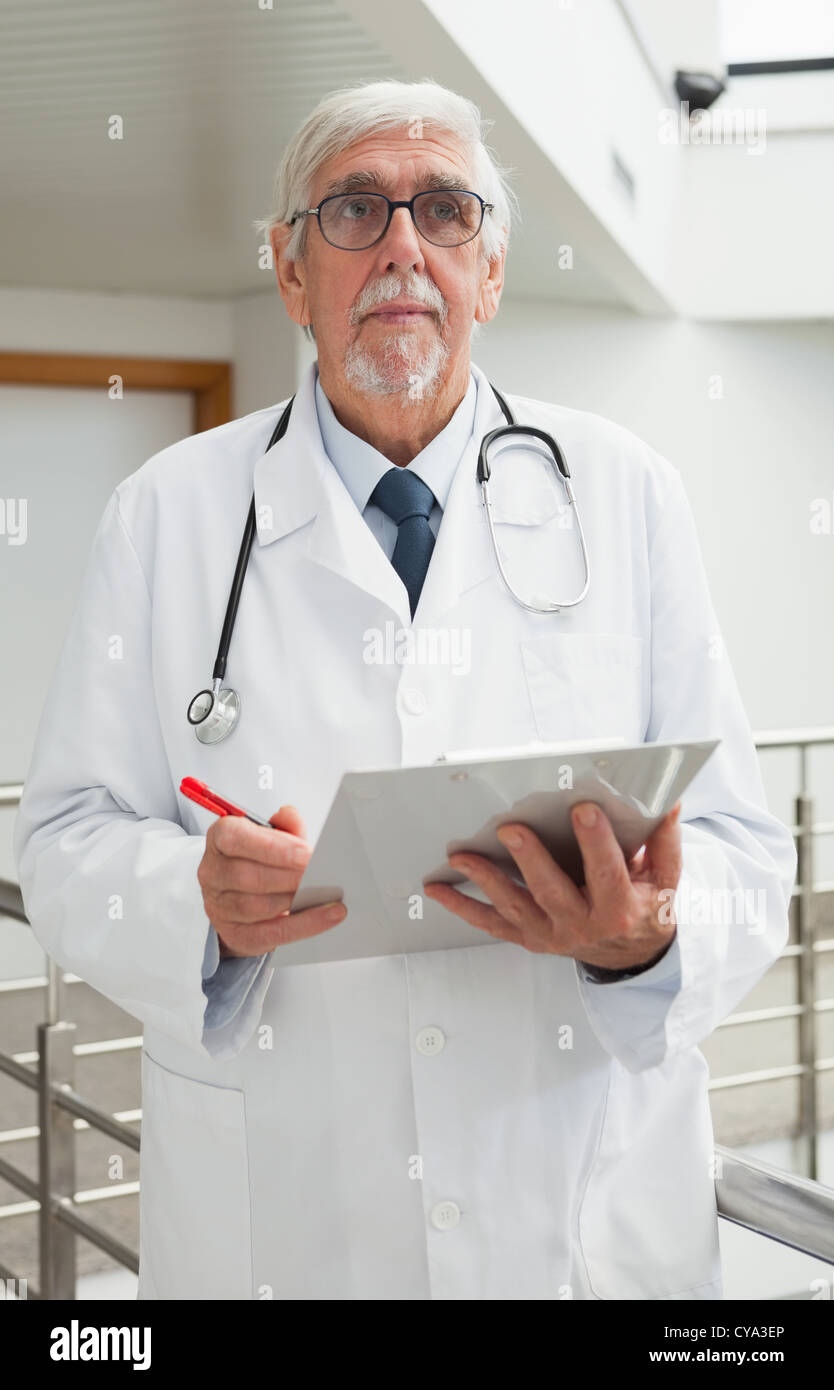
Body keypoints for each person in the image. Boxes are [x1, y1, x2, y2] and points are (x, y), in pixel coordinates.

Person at [14, 79, 796, 1300]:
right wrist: (194, 902)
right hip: (290, 1223)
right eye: (354, 211)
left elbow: (750, 845)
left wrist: (646, 944)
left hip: (577, 1216)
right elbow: (61, 843)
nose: (401, 248)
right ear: (287, 271)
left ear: (487, 272)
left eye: (443, 210)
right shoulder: (166, 516)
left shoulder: (628, 493)